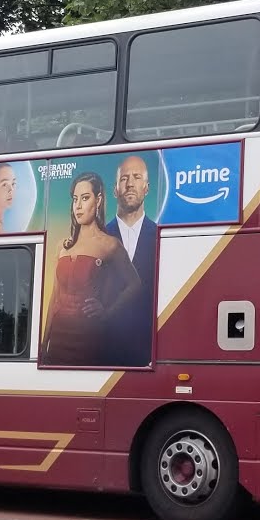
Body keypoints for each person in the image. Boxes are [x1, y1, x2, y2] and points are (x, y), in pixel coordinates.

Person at [41, 172, 142, 367]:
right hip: (58, 338)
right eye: (75, 199)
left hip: (88, 338)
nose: (78, 206)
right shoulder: (63, 246)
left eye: (85, 198)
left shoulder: (110, 245)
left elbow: (135, 284)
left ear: (98, 200)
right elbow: (54, 297)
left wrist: (107, 312)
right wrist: (45, 342)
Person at [104, 154, 158, 366]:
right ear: (115, 188)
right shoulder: (100, 237)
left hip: (147, 354)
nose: (130, 183)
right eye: (124, 178)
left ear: (146, 187)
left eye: (136, 177)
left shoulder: (160, 236)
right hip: (103, 353)